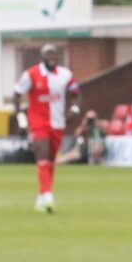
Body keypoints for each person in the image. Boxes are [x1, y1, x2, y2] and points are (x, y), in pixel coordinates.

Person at [13, 44, 79, 213]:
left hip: (58, 123)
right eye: (48, 54)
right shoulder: (31, 74)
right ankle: (49, 196)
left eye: (54, 54)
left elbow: (76, 94)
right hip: (38, 122)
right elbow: (16, 94)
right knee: (41, 156)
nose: (51, 57)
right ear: (42, 57)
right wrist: (21, 118)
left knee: (50, 161)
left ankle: (41, 197)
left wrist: (74, 109)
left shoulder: (65, 75)